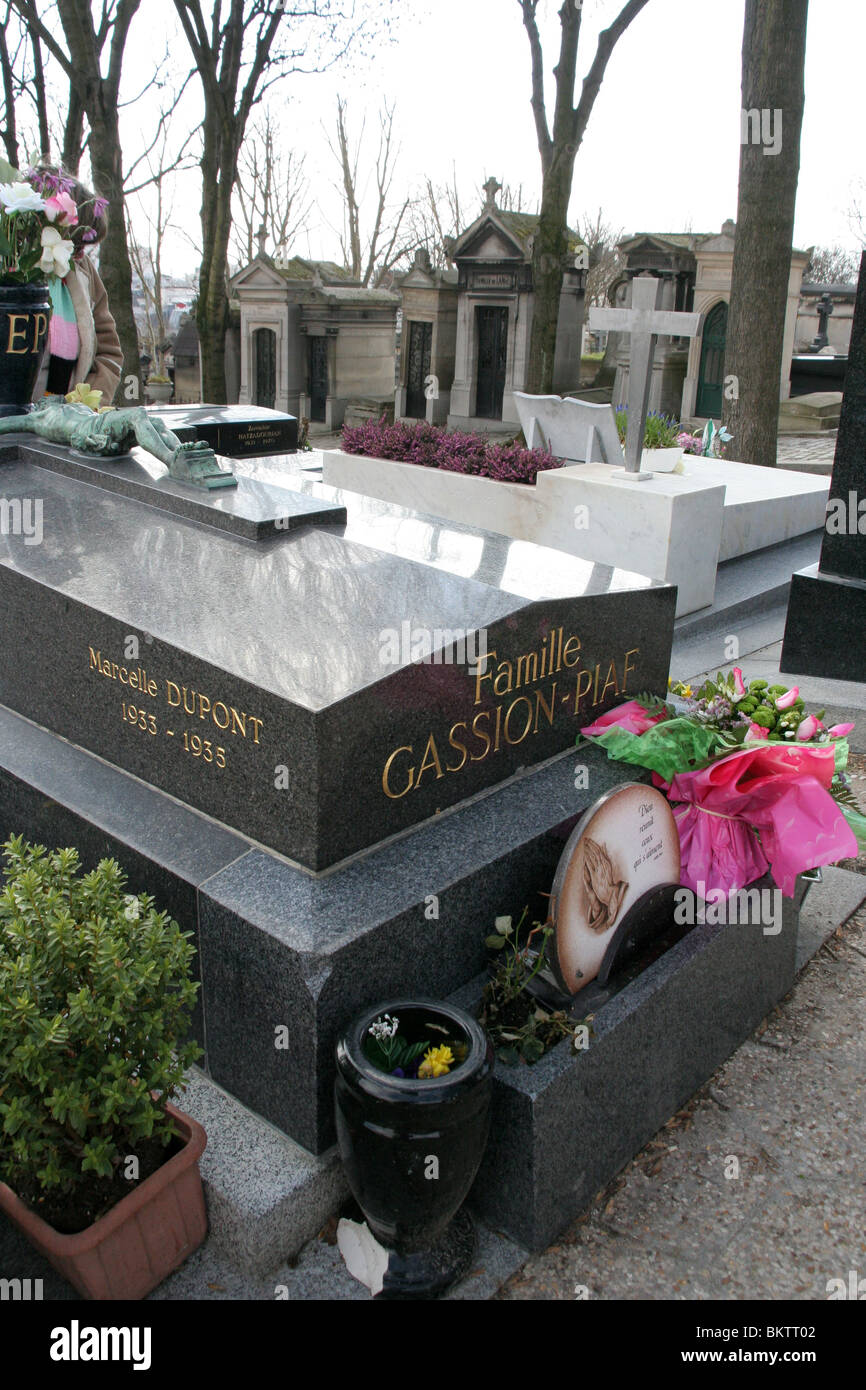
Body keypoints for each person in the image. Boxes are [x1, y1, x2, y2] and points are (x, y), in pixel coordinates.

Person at [27, 166, 123, 406]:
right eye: (76, 243)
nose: (80, 256)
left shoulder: (84, 271)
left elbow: (108, 352)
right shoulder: (11, 268)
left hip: (66, 428)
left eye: (85, 247)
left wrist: (87, 408)